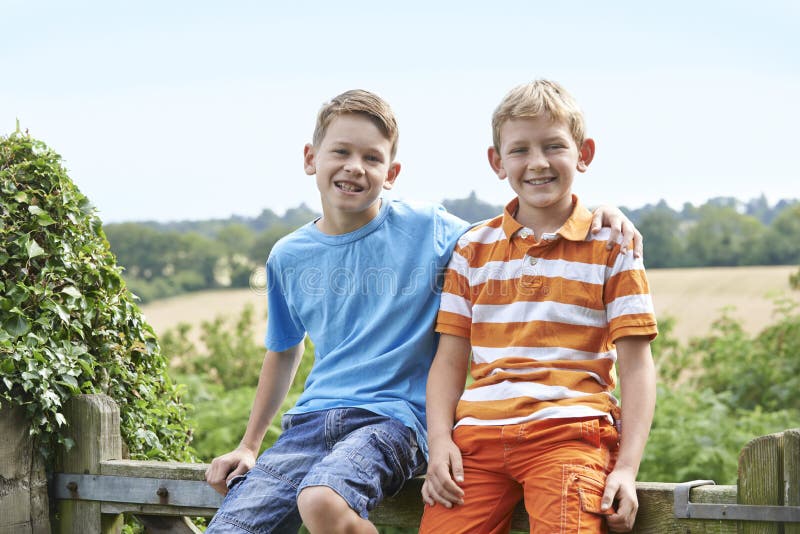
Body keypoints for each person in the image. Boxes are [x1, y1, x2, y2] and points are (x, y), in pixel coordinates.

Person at [204, 88, 643, 534]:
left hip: (395, 420)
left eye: (371, 158)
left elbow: (522, 232)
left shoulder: (432, 230)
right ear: (310, 158)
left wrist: (599, 213)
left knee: (322, 500)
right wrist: (249, 443)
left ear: (391, 172)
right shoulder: (287, 256)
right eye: (340, 151)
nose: (355, 167)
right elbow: (283, 351)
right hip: (310, 423)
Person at [419, 79, 658, 534]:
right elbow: (449, 360)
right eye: (520, 150)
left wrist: (626, 468)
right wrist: (439, 442)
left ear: (583, 153)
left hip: (568, 436)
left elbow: (637, 367)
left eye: (554, 146)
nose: (538, 163)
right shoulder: (473, 248)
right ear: (497, 161)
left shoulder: (614, 245)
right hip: (476, 443)